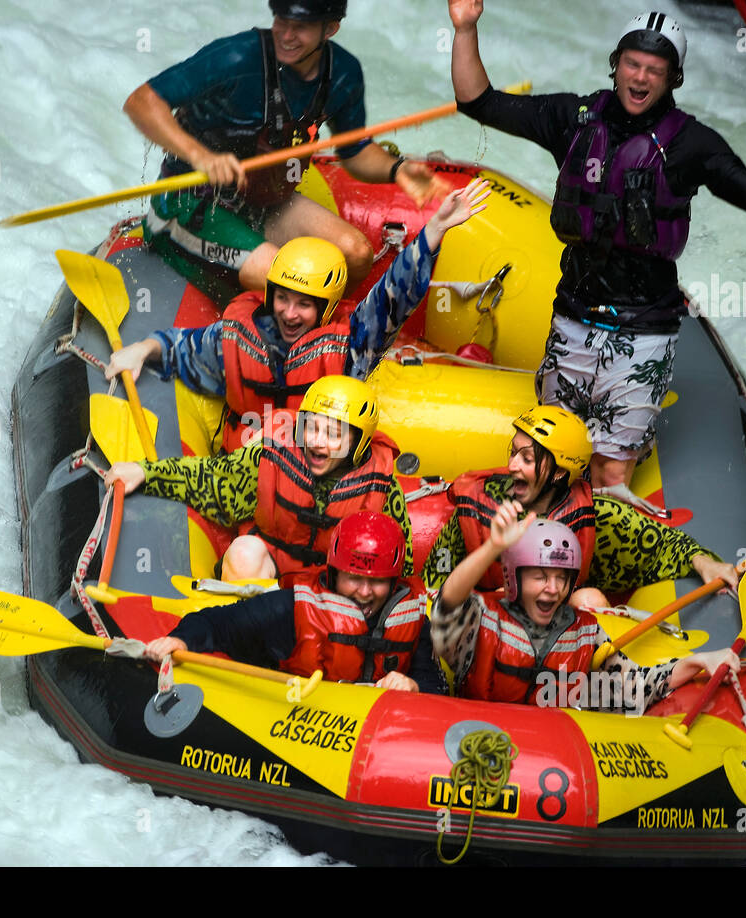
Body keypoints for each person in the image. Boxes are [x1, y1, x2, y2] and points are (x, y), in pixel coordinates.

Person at [448, 4, 746, 490]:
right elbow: (478, 101)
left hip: (644, 331)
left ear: (672, 79)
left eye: (656, 70)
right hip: (572, 316)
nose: (641, 77)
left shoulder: (693, 144)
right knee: (547, 462)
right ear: (616, 63)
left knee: (608, 472)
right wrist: (465, 27)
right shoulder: (574, 119)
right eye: (633, 63)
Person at [105, 179, 489, 452]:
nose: (290, 313)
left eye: (304, 304)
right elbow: (184, 348)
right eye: (283, 298)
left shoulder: (349, 351)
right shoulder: (237, 338)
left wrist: (433, 232)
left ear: (326, 309)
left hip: (309, 485)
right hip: (244, 477)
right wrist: (144, 348)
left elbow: (394, 298)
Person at [125, 0, 444, 292]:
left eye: (301, 27)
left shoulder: (343, 73)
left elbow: (355, 151)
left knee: (356, 254)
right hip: (192, 204)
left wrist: (397, 169)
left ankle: (324, 341)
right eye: (282, 21)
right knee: (288, 280)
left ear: (330, 28)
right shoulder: (236, 57)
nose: (287, 36)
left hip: (262, 202)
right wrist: (201, 157)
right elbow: (142, 101)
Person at [104, 374, 411, 583]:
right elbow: (211, 479)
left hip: (333, 593)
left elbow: (401, 561)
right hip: (271, 577)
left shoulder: (382, 489)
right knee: (244, 553)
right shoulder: (270, 456)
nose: (317, 442)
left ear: (359, 443)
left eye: (333, 435)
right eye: (312, 428)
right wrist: (147, 472)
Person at [431, 507, 740, 710]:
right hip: (476, 739)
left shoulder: (584, 634)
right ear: (514, 577)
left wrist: (697, 661)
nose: (552, 589)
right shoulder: (482, 618)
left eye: (561, 579)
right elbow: (447, 604)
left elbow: (633, 688)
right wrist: (492, 548)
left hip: (549, 759)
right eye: (540, 577)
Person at [422, 404, 739, 601]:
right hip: (487, 627)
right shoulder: (478, 506)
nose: (512, 465)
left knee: (591, 600)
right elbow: (435, 586)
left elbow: (663, 545)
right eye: (513, 452)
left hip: (555, 635)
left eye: (527, 458)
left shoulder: (597, 517)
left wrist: (704, 562)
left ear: (560, 473)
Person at [144, 511, 444, 693]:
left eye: (377, 581)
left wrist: (413, 686)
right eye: (354, 578)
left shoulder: (413, 621)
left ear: (393, 582)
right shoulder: (292, 609)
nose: (365, 592)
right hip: (298, 720)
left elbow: (436, 687)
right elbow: (217, 623)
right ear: (335, 572)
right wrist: (180, 641)